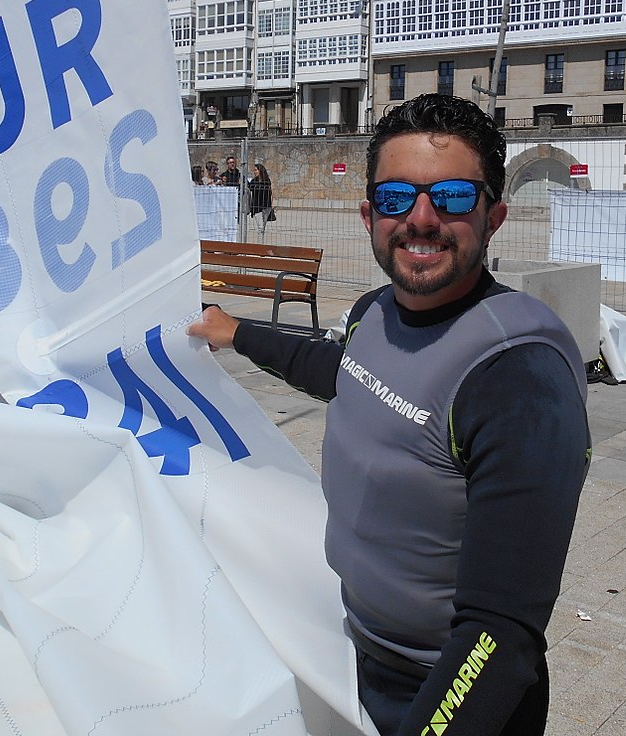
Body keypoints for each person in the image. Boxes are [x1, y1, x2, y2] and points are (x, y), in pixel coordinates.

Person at [189, 94, 589, 736]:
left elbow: (501, 634)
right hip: (354, 656)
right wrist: (235, 332)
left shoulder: (519, 376)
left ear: (495, 216)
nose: (422, 219)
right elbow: (340, 372)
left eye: (454, 197)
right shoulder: (373, 313)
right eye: (398, 198)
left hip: (448, 694)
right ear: (369, 213)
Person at [246, 163, 273, 237]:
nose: (254, 172)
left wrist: (271, 204)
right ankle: (260, 245)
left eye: (256, 170)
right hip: (257, 207)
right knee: (260, 227)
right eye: (254, 170)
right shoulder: (253, 181)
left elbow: (270, 192)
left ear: (260, 170)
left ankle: (261, 243)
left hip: (266, 206)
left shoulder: (267, 181)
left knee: (263, 227)